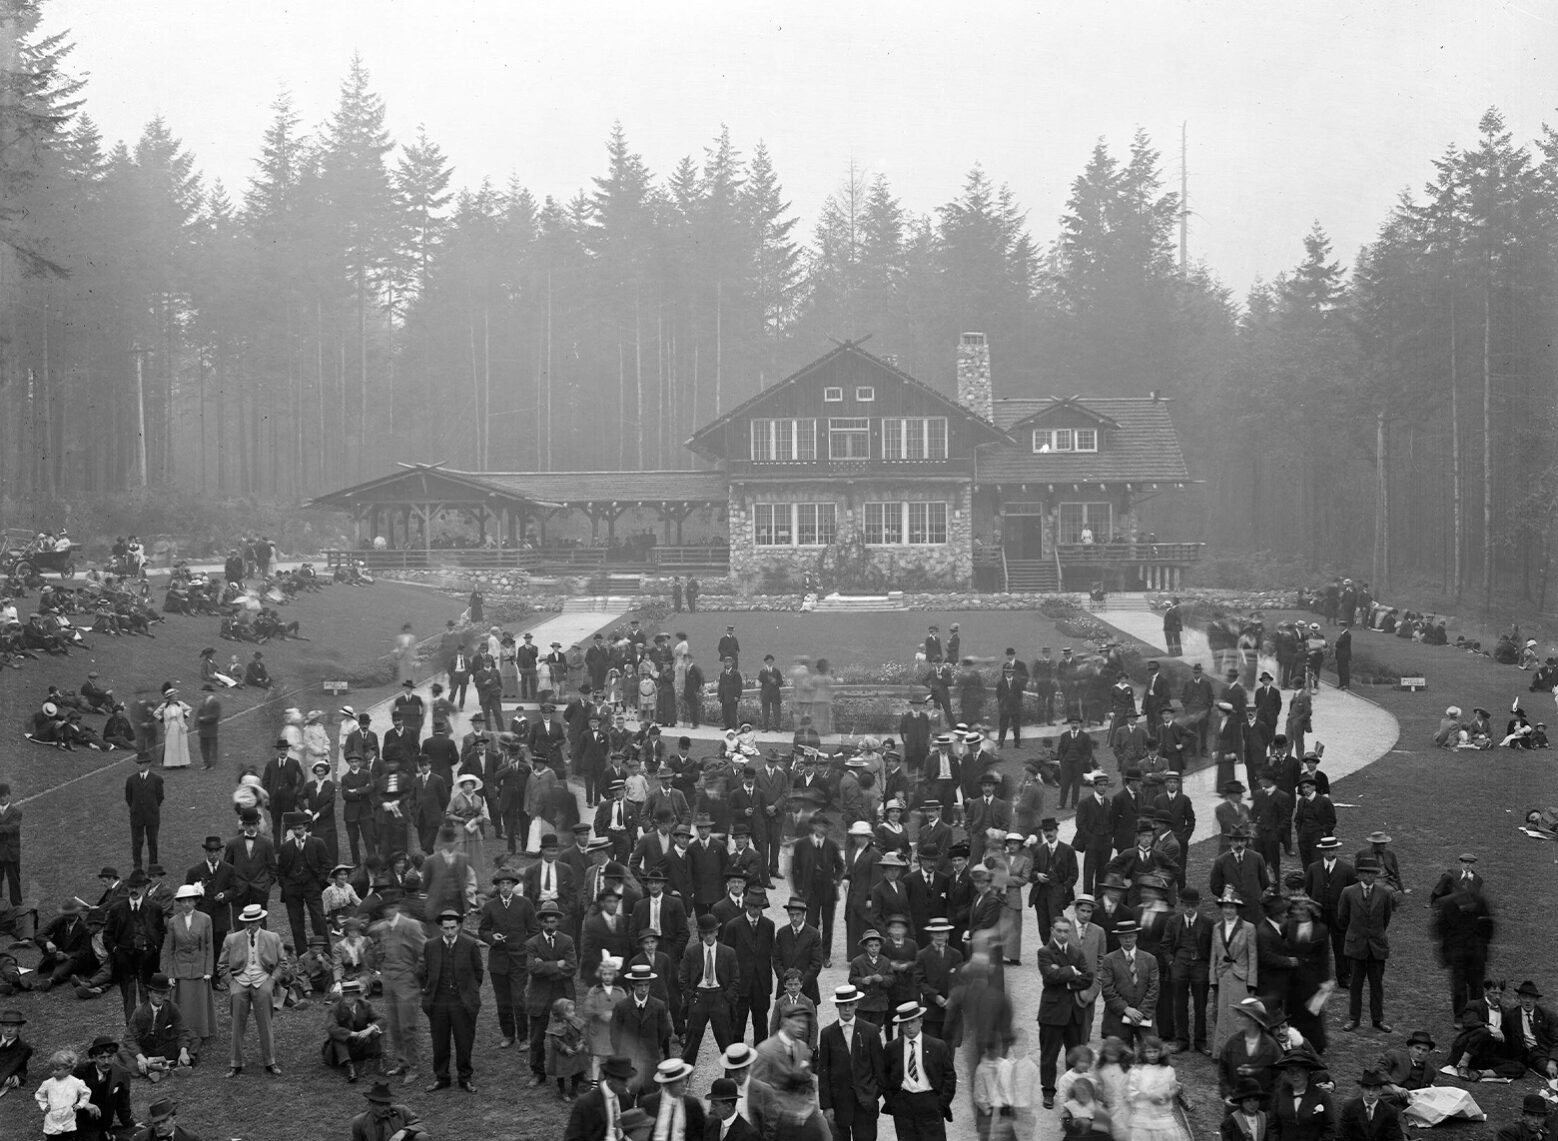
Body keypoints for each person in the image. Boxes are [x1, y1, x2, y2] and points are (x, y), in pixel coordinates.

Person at [420, 907, 482, 1093]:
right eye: (445, 928)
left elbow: (478, 972)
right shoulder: (430, 946)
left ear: (459, 927)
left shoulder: (470, 944)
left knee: (464, 1041)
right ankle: (442, 1077)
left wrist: (468, 993)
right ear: (440, 928)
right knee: (439, 1041)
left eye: (452, 928)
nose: (449, 932)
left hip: (461, 1002)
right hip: (438, 1002)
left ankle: (465, 1078)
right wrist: (428, 991)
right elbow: (424, 972)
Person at [219, 902, 283, 1077]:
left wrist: (271, 981)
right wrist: (232, 984)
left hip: (263, 982)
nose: (251, 926)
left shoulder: (273, 937)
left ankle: (270, 1062)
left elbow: (282, 963)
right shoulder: (232, 939)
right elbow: (221, 966)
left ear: (261, 921)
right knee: (237, 1025)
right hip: (240, 982)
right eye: (248, 922)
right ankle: (236, 1063)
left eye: (254, 922)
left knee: (265, 1024)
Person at [1038, 916, 1094, 1108]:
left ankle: (1073, 1090)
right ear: (1052, 931)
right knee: (1049, 1054)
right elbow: (1050, 977)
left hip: (1074, 1012)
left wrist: (1064, 976)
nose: (1063, 934)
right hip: (1052, 1012)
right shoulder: (1044, 952)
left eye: (1066, 931)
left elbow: (1088, 978)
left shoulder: (1076, 952)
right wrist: (1071, 970)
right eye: (1059, 930)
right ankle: (1048, 1091)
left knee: (1075, 1054)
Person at [1337, 857, 1395, 1033]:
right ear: (1359, 875)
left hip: (1376, 947)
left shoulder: (1384, 894)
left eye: (1372, 873)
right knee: (1355, 984)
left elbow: (1386, 919)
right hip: (1356, 947)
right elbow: (1342, 918)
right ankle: (1354, 1018)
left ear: (1376, 875)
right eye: (1365, 873)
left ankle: (1378, 1019)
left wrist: (1375, 935)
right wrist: (1357, 934)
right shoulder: (1348, 892)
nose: (1368, 877)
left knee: (1377, 985)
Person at [884, 1002, 955, 1141]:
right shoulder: (892, 1048)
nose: (909, 1026)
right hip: (904, 1104)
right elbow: (885, 1076)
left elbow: (950, 1077)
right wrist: (894, 1102)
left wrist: (941, 1103)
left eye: (913, 1021)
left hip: (930, 1102)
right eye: (905, 1023)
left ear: (921, 1021)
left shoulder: (937, 1046)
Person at [161, 884, 215, 1049]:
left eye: (189, 900)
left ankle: (201, 1031)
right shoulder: (173, 922)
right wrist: (170, 974)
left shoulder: (205, 919)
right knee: (183, 1003)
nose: (186, 904)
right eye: (183, 901)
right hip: (181, 968)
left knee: (199, 1002)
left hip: (199, 968)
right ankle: (184, 1032)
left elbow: (209, 946)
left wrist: (208, 970)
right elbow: (170, 949)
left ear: (195, 901)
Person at [679, 911, 737, 1064]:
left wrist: (727, 997)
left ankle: (731, 1081)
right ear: (701, 934)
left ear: (717, 931)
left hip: (719, 997)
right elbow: (683, 979)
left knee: (726, 1042)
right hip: (699, 996)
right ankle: (684, 1079)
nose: (708, 936)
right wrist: (691, 997)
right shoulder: (692, 952)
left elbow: (735, 979)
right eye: (705, 933)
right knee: (691, 1043)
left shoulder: (728, 952)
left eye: (711, 932)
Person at [564, 1055, 636, 1141]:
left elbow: (627, 1128)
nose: (627, 1084)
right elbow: (573, 1138)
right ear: (609, 1079)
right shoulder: (586, 1103)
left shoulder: (625, 1098)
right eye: (623, 1080)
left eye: (628, 1079)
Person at [36, 1047, 93, 1138]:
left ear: (69, 1069)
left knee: (68, 1138)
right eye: (52, 1069)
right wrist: (44, 1106)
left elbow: (86, 1093)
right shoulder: (48, 1083)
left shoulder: (76, 1082)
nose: (54, 1072)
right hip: (52, 1121)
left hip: (68, 1121)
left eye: (57, 1070)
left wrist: (80, 1104)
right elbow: (39, 1095)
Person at [349, 1081, 430, 1141]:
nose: (386, 1108)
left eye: (387, 1104)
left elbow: (420, 1125)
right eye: (381, 1105)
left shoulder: (401, 1111)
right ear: (370, 1104)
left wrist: (403, 1131)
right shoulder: (359, 1122)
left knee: (422, 1137)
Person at [126, 751, 165, 871]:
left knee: (152, 841)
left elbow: (160, 797)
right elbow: (129, 798)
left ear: (148, 764)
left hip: (151, 816)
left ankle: (153, 864)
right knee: (137, 843)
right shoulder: (131, 780)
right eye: (138, 764)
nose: (140, 766)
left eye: (142, 763)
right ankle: (137, 865)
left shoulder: (156, 779)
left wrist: (152, 807)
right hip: (137, 815)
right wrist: (135, 808)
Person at [1337, 1070, 1403, 1141]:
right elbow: (1342, 1135)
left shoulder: (1390, 1111)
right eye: (1367, 1089)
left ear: (1381, 1091)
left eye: (1374, 1090)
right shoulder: (1350, 1107)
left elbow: (1396, 1138)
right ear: (1362, 1089)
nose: (1370, 1093)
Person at [709, 1075, 760, 1141]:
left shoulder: (749, 1135)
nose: (711, 1109)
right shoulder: (710, 1125)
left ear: (728, 1106)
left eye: (715, 1105)